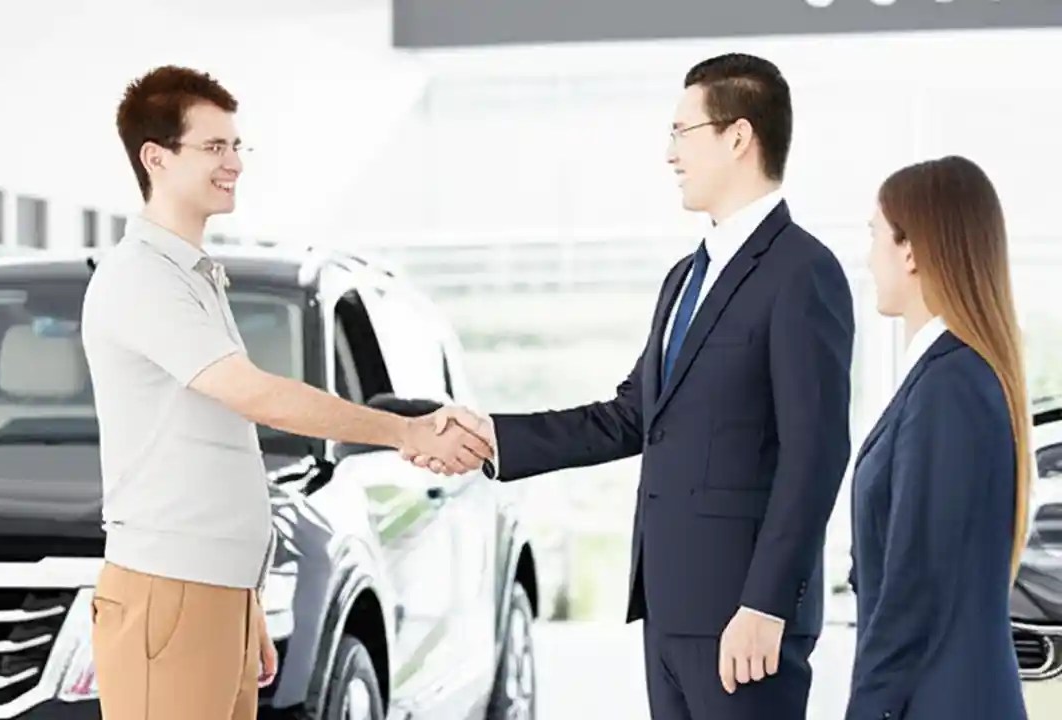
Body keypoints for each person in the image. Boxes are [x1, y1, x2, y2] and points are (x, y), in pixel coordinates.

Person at [410, 53, 855, 720]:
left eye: (682, 132)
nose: (670, 154)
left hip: (744, 619)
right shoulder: (686, 277)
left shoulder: (802, 272)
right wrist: (492, 435)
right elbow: (632, 416)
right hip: (671, 609)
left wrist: (765, 605)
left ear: (737, 136)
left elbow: (815, 454)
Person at [80, 65, 492, 720]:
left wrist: (242, 595)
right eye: (214, 146)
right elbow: (254, 396)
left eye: (236, 145)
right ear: (156, 158)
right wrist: (406, 432)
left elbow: (209, 443)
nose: (235, 163)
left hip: (210, 591)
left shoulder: (192, 275)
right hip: (172, 592)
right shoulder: (142, 279)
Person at [845, 155, 1031, 720]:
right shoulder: (947, 378)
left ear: (910, 250)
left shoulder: (949, 385)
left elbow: (915, 588)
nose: (869, 257)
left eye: (875, 235)